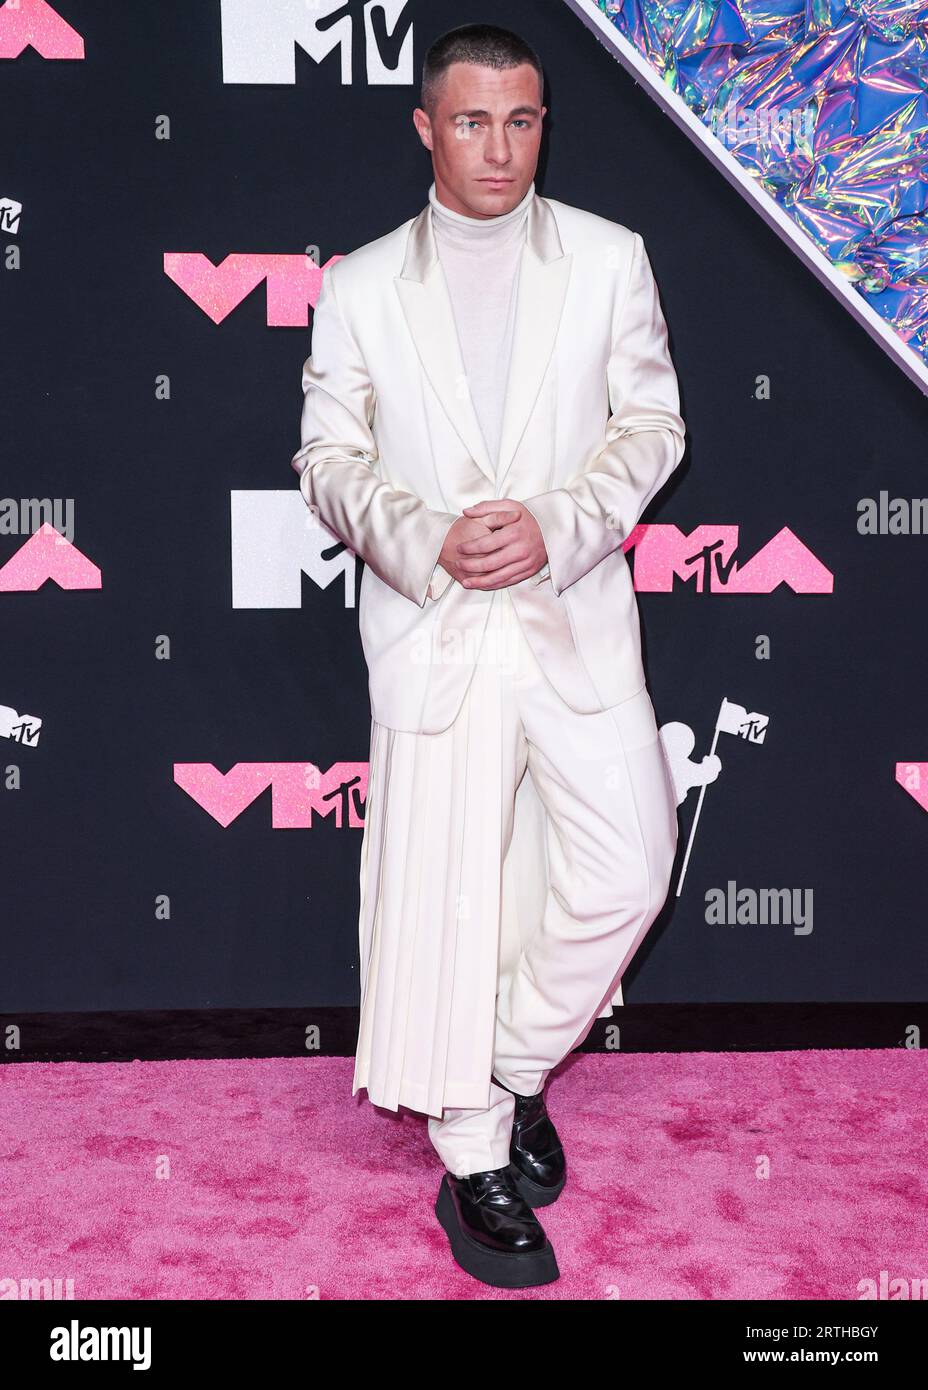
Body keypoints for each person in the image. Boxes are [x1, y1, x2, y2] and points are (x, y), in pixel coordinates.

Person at [290, 22, 686, 1289]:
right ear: (424, 127)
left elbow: (651, 424)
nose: (499, 147)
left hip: (574, 623)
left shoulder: (611, 261)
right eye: (471, 121)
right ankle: (473, 1159)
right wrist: (424, 539)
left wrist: (564, 527)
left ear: (542, 124)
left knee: (630, 868)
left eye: (520, 121)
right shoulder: (357, 287)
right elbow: (327, 461)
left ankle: (505, 1071)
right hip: (438, 630)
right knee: (454, 897)